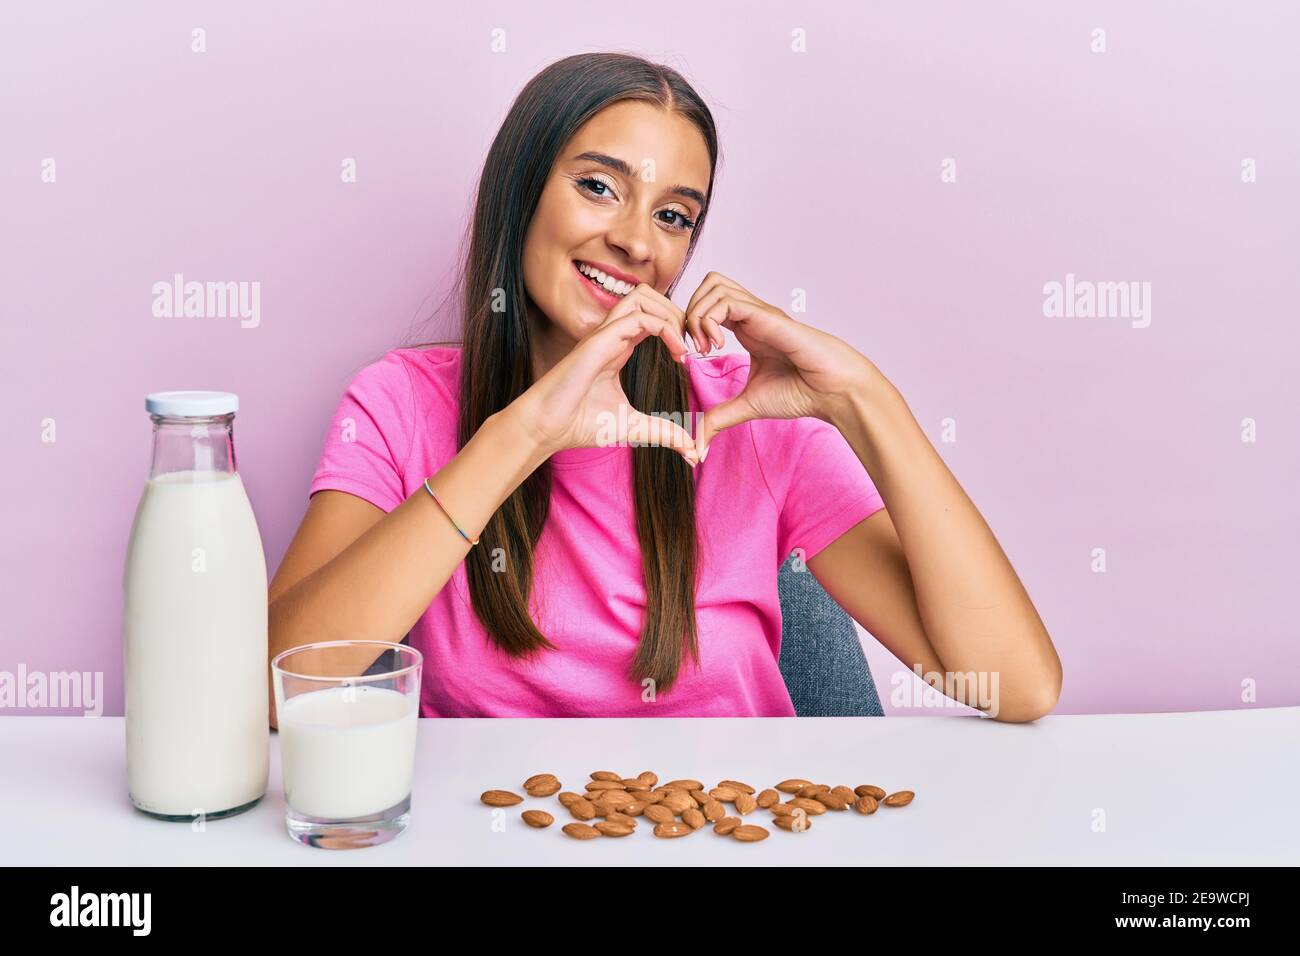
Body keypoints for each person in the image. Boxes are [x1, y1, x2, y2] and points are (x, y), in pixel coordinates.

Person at [268, 52, 1062, 724]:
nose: (636, 241)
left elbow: (1017, 687)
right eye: (600, 187)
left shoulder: (744, 418)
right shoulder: (400, 403)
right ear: (521, 190)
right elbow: (278, 690)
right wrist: (522, 435)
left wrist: (863, 398)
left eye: (675, 215)